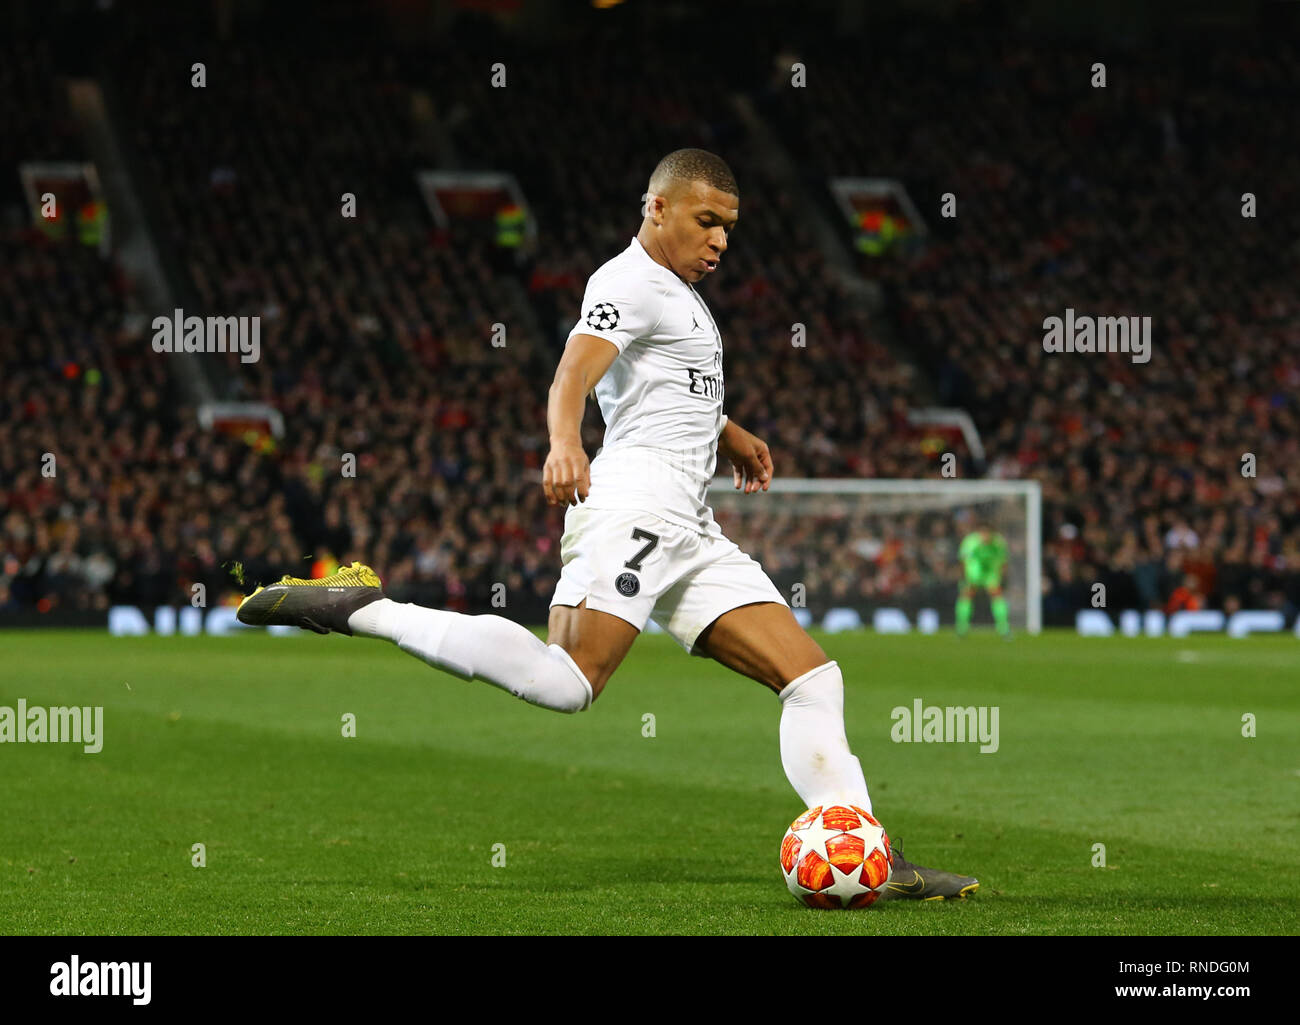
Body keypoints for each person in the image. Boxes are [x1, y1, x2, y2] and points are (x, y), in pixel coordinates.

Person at [238, 148, 977, 902]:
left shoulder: (680, 293)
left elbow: (663, 388)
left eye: (729, 227)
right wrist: (565, 441)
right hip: (636, 503)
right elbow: (574, 373)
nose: (721, 240)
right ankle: (364, 606)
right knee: (567, 683)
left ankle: (868, 851)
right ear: (657, 208)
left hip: (690, 519)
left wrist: (730, 432)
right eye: (707, 221)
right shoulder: (628, 281)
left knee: (814, 679)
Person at [957, 526, 1011, 638]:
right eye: (983, 533)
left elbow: (1003, 560)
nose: (985, 536)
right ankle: (962, 627)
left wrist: (1002, 576)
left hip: (990, 573)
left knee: (997, 595)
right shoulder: (970, 542)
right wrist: (964, 576)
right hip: (974, 572)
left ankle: (1003, 627)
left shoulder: (998, 542)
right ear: (979, 533)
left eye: (987, 533)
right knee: (966, 596)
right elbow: (963, 560)